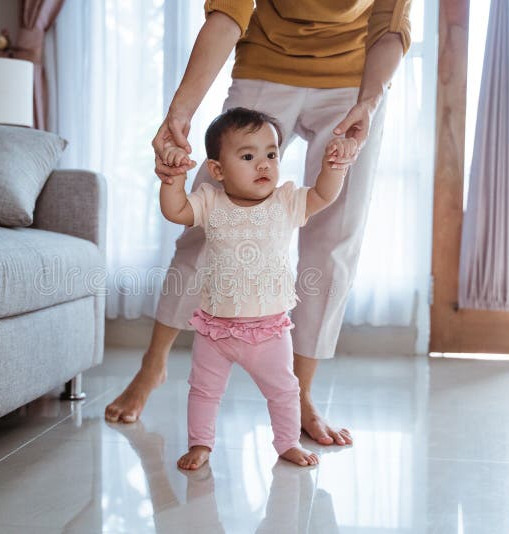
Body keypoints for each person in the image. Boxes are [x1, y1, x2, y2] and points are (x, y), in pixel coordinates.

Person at [105, 1, 412, 448]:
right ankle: (154, 365)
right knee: (204, 225)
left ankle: (300, 394)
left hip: (354, 78)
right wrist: (180, 113)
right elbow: (228, 10)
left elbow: (390, 25)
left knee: (335, 237)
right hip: (266, 63)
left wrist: (369, 101)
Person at [160, 107, 358, 469]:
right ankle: (200, 444)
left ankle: (286, 443)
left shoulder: (286, 201)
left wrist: (335, 166)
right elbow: (175, 211)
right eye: (248, 156)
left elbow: (324, 196)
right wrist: (171, 178)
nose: (264, 164)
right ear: (218, 170)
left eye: (271, 154)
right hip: (215, 330)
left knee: (284, 392)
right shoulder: (209, 200)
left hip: (268, 330)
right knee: (203, 391)